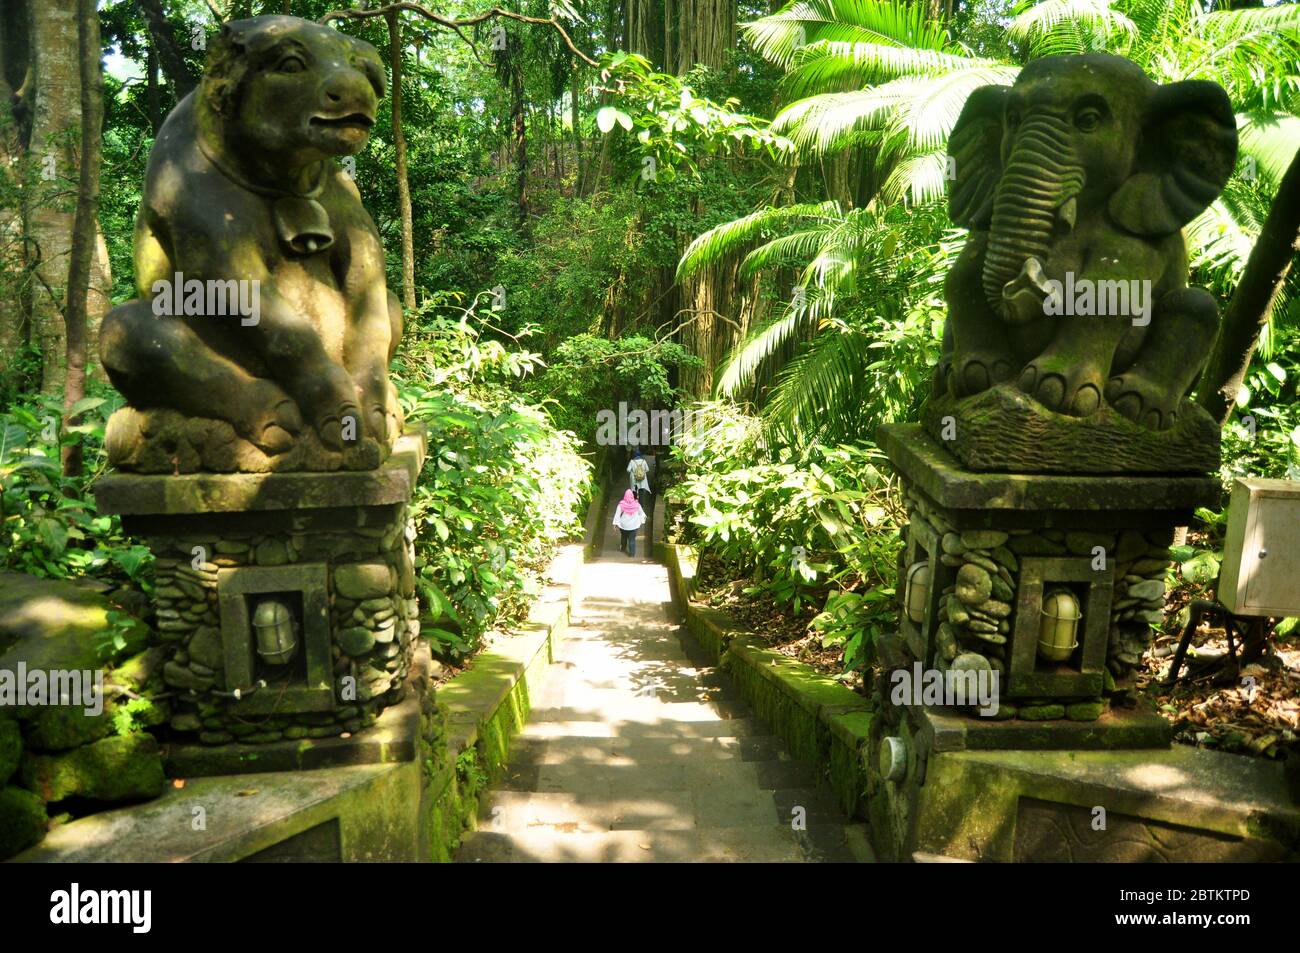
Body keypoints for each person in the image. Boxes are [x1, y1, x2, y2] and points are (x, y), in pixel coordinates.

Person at [612, 489, 646, 558]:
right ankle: (632, 554)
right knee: (632, 540)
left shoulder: (621, 504)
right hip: (634, 526)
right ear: (632, 496)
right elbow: (642, 514)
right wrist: (641, 521)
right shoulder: (637, 505)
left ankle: (623, 548)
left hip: (623, 525)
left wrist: (615, 524)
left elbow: (617, 515)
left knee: (624, 537)